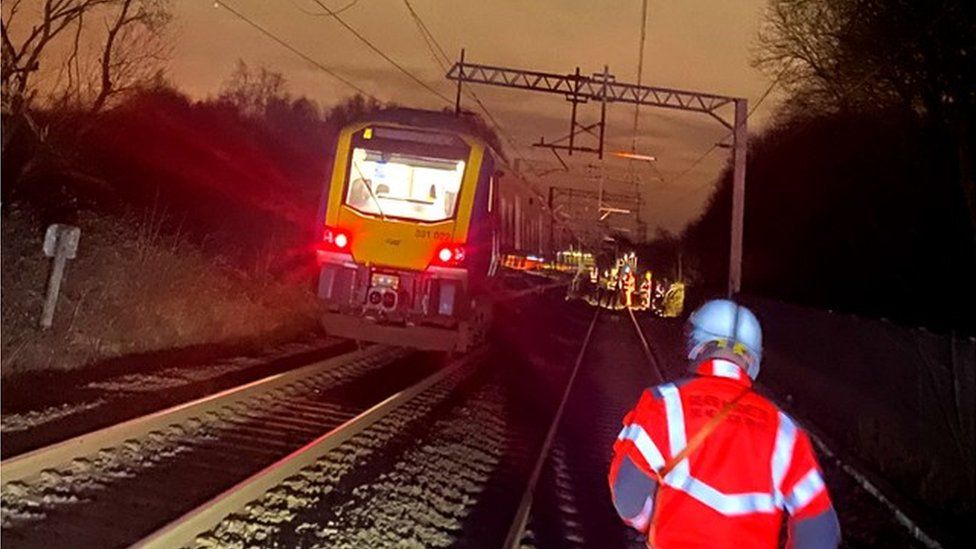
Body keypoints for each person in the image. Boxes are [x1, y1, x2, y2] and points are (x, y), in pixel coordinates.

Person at [609, 299, 840, 548]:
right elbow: (821, 532)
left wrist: (651, 521)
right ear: (753, 359)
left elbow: (628, 500)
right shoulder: (786, 431)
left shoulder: (664, 403)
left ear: (696, 345)